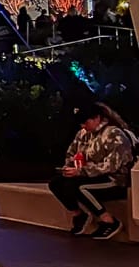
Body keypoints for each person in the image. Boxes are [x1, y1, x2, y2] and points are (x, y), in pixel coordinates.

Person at [50, 102, 136, 239]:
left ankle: (109, 221)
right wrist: (69, 167)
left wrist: (82, 172)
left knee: (79, 187)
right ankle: (78, 215)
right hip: (90, 173)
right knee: (56, 183)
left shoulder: (114, 134)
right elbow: (71, 153)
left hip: (115, 178)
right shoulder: (83, 134)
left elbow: (112, 165)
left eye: (86, 122)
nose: (83, 126)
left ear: (97, 118)